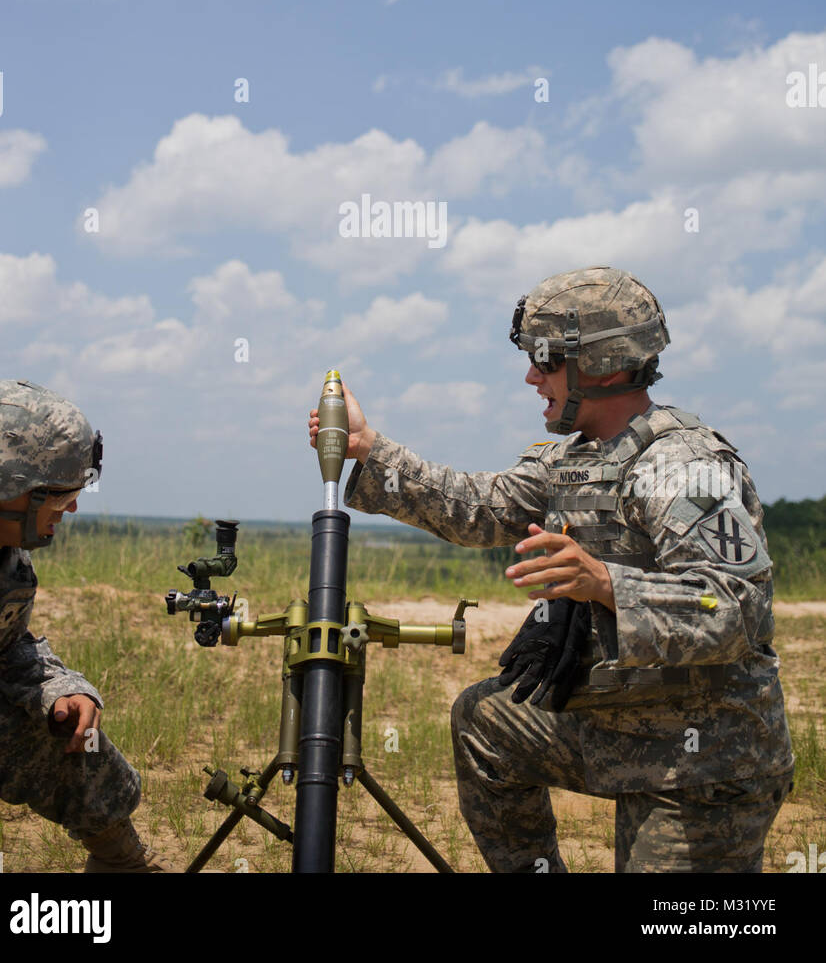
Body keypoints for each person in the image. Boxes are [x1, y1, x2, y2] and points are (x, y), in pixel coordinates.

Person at [308, 266, 794, 873]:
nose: (532, 376)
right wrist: (369, 448)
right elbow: (479, 508)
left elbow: (737, 610)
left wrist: (607, 584)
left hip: (706, 760)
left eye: (546, 360)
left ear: (603, 366)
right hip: (620, 723)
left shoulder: (685, 469)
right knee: (486, 721)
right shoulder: (576, 460)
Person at [0, 379, 175, 873]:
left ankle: (123, 864)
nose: (72, 507)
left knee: (65, 729)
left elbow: (5, 652)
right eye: (59, 493)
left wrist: (63, 689)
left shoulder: (5, 561)